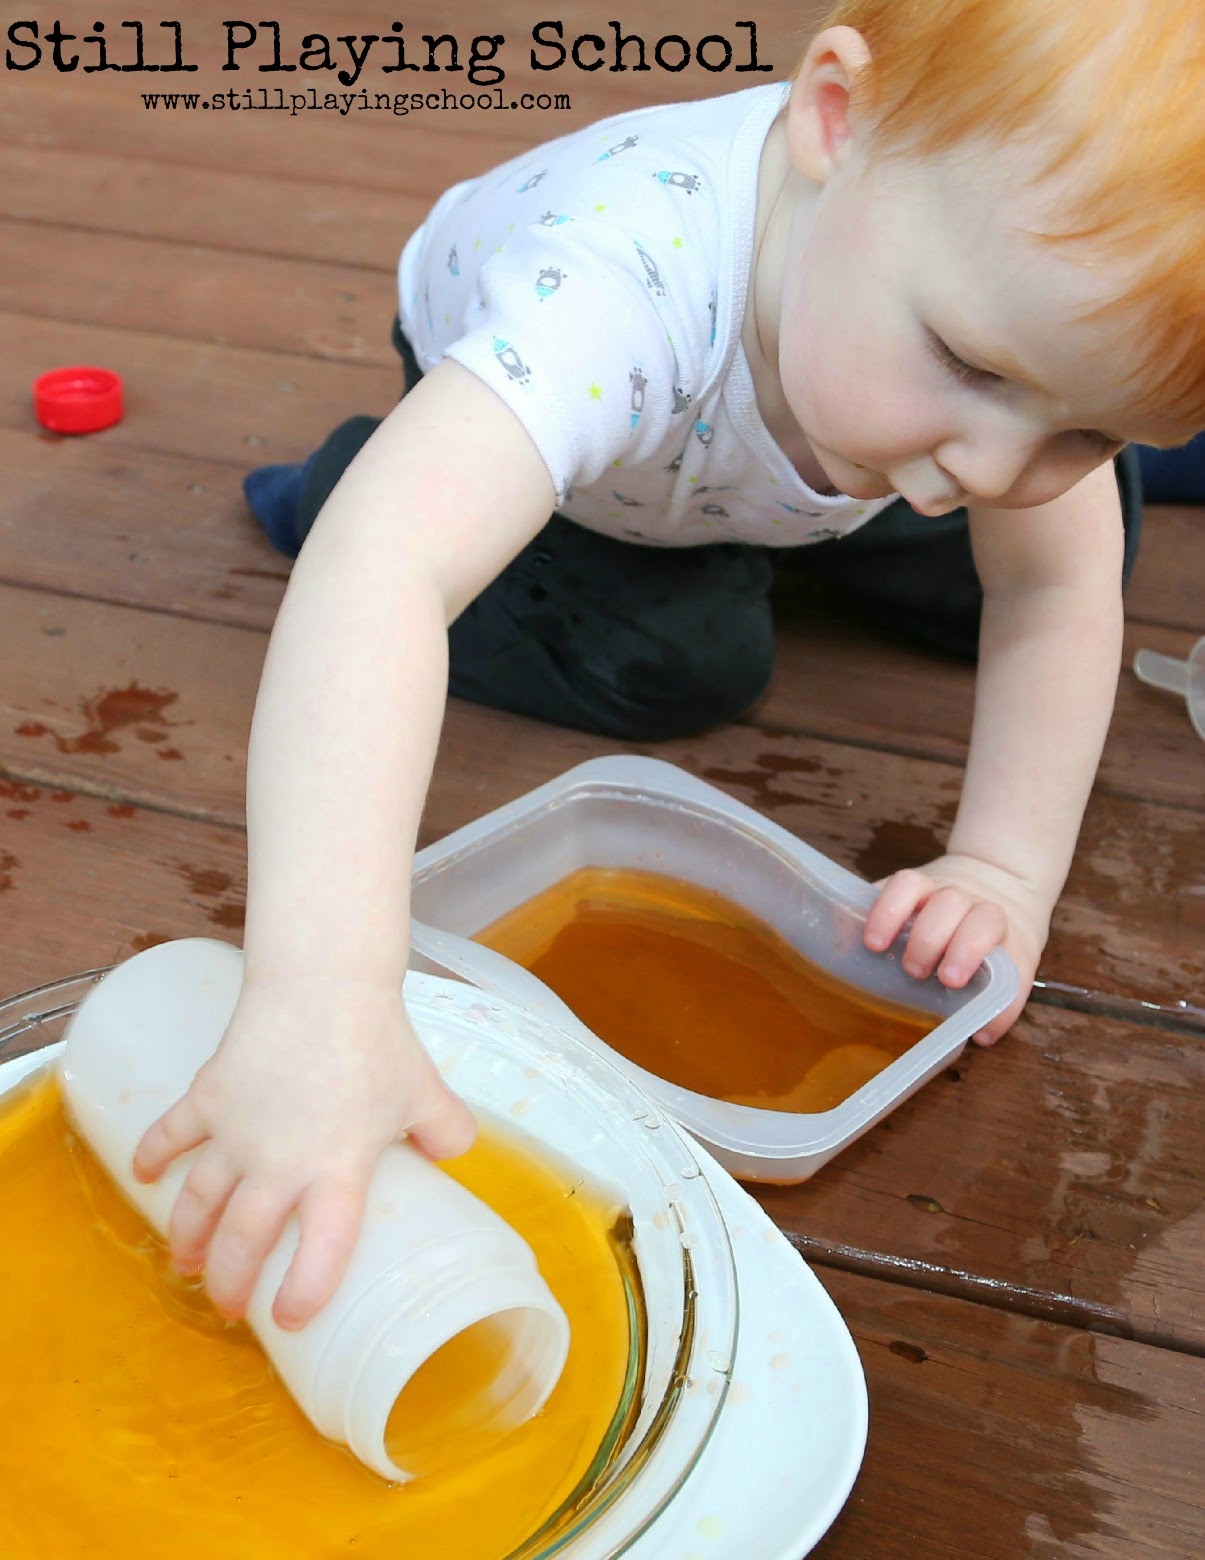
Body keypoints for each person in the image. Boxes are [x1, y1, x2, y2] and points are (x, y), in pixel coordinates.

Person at [133, 0, 1203, 1333]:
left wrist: (1001, 867)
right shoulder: (614, 284)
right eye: (970, 362)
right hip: (604, 460)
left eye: (1084, 428)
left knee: (1076, 525)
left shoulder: (955, 361)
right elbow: (383, 579)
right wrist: (322, 998)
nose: (995, 471)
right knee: (679, 658)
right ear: (834, 117)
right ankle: (344, 476)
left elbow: (1051, 589)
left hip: (816, 452)